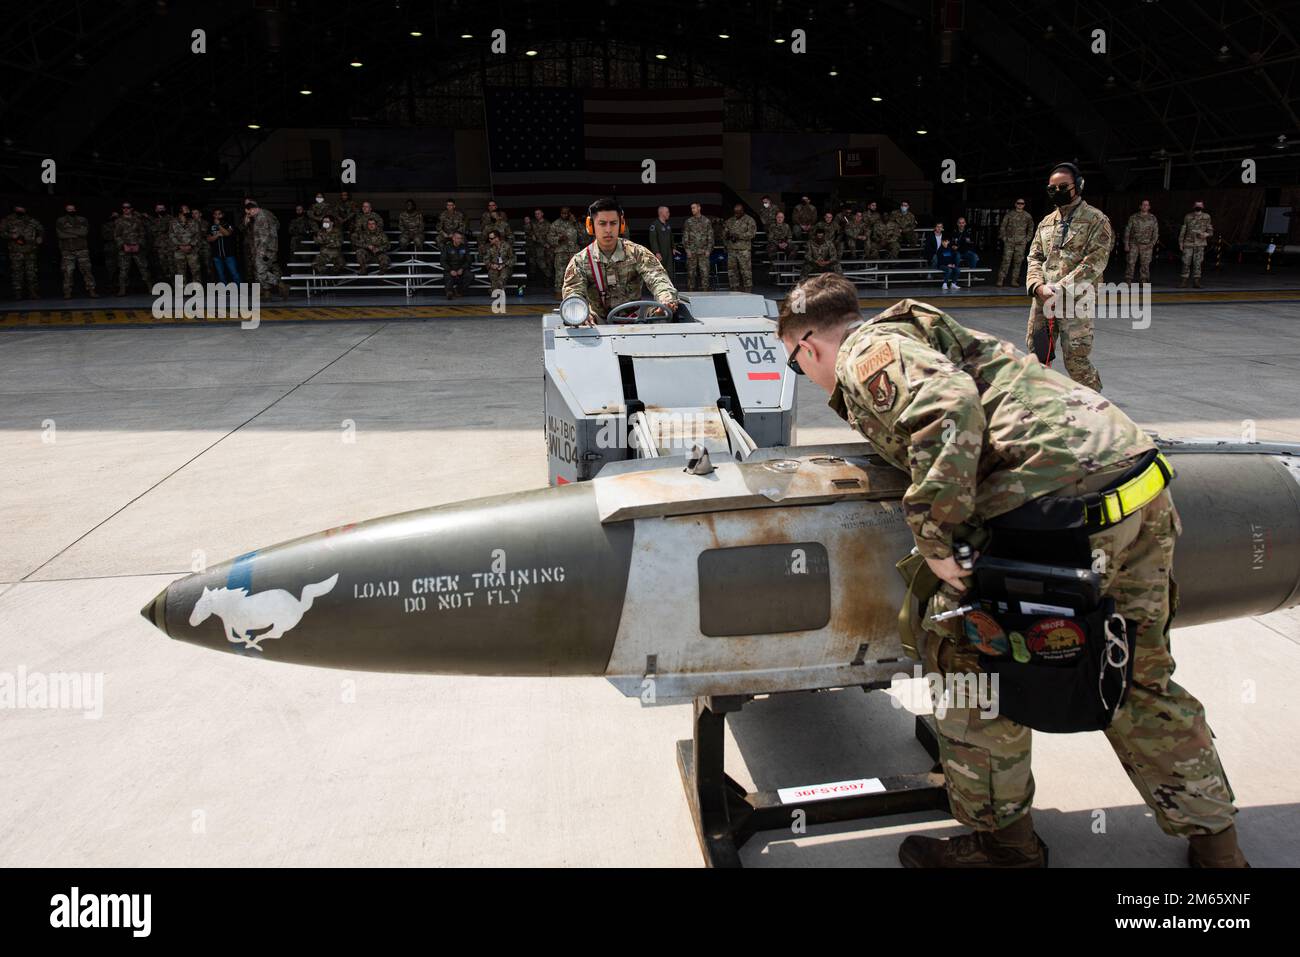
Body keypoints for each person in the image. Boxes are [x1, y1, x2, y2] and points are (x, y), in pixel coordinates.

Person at [776, 273, 1248, 869]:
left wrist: (935, 532)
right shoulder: (927, 332)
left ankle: (1005, 847)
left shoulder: (867, 352)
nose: (809, 377)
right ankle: (1218, 848)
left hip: (1054, 513)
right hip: (1135, 489)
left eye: (798, 366)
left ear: (809, 345)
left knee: (970, 667)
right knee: (1134, 668)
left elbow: (947, 408)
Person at [1025, 162, 1112, 392]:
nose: (1057, 192)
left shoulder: (1096, 220)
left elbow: (1096, 260)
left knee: (1076, 361)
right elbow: (1034, 257)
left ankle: (1095, 409)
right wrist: (1037, 286)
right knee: (1038, 358)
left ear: (1078, 185)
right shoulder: (1046, 222)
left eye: (1063, 186)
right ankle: (1043, 408)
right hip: (1043, 300)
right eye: (1052, 188)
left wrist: (1060, 288)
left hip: (1075, 302)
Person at [560, 196, 677, 324]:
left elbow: (658, 278)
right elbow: (573, 292)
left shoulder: (637, 253)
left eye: (613, 223)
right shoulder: (580, 261)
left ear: (621, 225)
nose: (608, 230)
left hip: (637, 319)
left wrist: (665, 298)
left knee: (664, 314)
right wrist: (579, 311)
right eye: (602, 223)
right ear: (590, 225)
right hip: (598, 323)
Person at [244, 200, 289, 299]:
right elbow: (277, 225)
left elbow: (264, 237)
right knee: (262, 270)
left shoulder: (261, 218)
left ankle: (280, 285)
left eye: (249, 212)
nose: (249, 215)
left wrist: (261, 251)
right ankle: (267, 293)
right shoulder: (267, 213)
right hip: (271, 247)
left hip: (265, 249)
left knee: (261, 272)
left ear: (253, 209)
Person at [55, 202, 97, 299]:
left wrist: (68, 231)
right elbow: (60, 235)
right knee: (67, 272)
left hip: (82, 249)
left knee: (87, 271)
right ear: (66, 210)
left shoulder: (82, 219)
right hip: (67, 250)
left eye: (72, 209)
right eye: (69, 209)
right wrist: (76, 233)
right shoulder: (60, 220)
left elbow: (84, 232)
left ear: (75, 210)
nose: (71, 211)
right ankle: (67, 292)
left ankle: (92, 290)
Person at [2, 205, 44, 299]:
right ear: (15, 209)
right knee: (17, 273)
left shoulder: (31, 220)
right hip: (16, 251)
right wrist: (11, 236)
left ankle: (33, 292)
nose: (20, 210)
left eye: (22, 209)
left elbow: (41, 230)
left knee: (31, 272)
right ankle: (18, 293)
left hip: (30, 250)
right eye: (18, 209)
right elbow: (2, 233)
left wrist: (39, 238)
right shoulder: (8, 220)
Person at [997, 198, 1033, 286]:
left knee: (1018, 262)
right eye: (1018, 203)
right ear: (1015, 204)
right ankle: (1001, 280)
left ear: (1024, 205)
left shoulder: (1027, 216)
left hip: (1021, 243)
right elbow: (1003, 226)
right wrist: (1004, 238)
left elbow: (1031, 228)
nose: (1020, 205)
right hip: (1009, 242)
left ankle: (1014, 281)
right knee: (1006, 261)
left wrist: (1027, 239)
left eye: (1022, 203)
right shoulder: (1009, 214)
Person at [1178, 201, 1214, 288]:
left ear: (1203, 206)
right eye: (1197, 205)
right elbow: (1183, 230)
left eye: (1200, 205)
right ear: (1194, 206)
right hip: (1188, 243)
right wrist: (1180, 242)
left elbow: (1210, 230)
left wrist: (1206, 234)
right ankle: (1184, 281)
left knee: (1198, 263)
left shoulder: (1207, 217)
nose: (1198, 206)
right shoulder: (1188, 216)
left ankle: (1196, 281)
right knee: (1186, 262)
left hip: (1200, 244)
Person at [723, 203, 757, 292]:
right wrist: (727, 236)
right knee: (732, 271)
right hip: (732, 250)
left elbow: (752, 234)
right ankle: (734, 289)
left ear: (742, 211)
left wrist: (738, 235)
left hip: (744, 250)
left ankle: (748, 290)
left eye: (738, 212)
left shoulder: (749, 220)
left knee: (746, 271)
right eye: (735, 212)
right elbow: (724, 233)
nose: (736, 214)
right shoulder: (730, 221)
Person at [547, 207, 580, 299]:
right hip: (561, 252)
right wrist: (558, 239)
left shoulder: (574, 223)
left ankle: (575, 293)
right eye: (563, 213)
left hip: (574, 252)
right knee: (560, 273)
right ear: (560, 214)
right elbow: (549, 238)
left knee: (575, 272)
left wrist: (575, 222)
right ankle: (558, 293)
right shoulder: (555, 224)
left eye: (566, 213)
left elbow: (584, 236)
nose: (564, 215)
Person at [1124, 200, 1159, 284]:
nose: (1145, 206)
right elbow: (1127, 230)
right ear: (1140, 206)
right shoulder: (1133, 217)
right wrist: (1126, 244)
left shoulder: (1153, 218)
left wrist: (1152, 244)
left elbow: (1156, 232)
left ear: (1149, 207)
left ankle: (1144, 279)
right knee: (1130, 262)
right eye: (1143, 205)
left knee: (1145, 264)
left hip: (1147, 245)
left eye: (1146, 205)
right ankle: (1128, 279)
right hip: (1134, 244)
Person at [682, 202, 714, 291]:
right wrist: (687, 249)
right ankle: (691, 292)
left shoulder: (706, 221)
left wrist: (708, 250)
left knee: (705, 273)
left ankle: (705, 291)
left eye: (694, 208)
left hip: (703, 252)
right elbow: (685, 237)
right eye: (691, 208)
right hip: (692, 253)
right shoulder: (688, 222)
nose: (692, 210)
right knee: (691, 274)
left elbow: (710, 237)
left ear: (699, 208)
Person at [169, 206, 203, 285]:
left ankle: (197, 289)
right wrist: (180, 246)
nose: (188, 211)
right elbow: (171, 235)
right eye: (186, 209)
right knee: (180, 272)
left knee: (196, 270)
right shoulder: (173, 222)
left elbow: (198, 235)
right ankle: (182, 290)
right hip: (179, 251)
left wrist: (191, 245)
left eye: (188, 209)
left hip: (192, 250)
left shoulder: (194, 222)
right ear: (180, 211)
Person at [207, 209, 241, 283]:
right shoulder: (210, 226)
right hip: (217, 255)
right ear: (213, 215)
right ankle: (224, 291)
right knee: (220, 275)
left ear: (222, 215)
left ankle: (241, 290)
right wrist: (218, 235)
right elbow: (209, 239)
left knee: (234, 273)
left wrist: (219, 225)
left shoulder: (229, 224)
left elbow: (227, 234)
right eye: (215, 214)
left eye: (219, 214)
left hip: (229, 254)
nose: (217, 216)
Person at [646, 206, 675, 282]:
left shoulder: (667, 225)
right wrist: (656, 252)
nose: (669, 214)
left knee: (669, 271)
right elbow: (653, 240)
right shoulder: (655, 225)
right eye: (667, 212)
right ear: (661, 213)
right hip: (660, 253)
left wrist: (673, 247)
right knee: (660, 272)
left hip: (668, 253)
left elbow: (671, 237)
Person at [481, 229, 515, 294]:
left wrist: (504, 265)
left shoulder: (507, 246)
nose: (489, 240)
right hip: (494, 267)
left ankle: (494, 290)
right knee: (493, 275)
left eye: (491, 238)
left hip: (506, 267)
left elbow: (513, 258)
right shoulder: (489, 247)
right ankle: (497, 290)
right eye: (489, 238)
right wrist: (491, 265)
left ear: (497, 238)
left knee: (502, 278)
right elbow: (486, 259)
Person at [524, 208, 551, 284]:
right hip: (532, 246)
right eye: (535, 214)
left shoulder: (547, 224)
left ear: (542, 214)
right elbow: (527, 231)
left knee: (542, 263)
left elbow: (549, 236)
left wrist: (546, 244)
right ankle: (533, 280)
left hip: (543, 247)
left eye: (538, 213)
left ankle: (548, 277)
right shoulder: (533, 223)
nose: (537, 215)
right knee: (532, 262)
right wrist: (527, 223)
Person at [442, 231, 471, 298]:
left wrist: (462, 268)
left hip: (461, 268)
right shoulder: (447, 247)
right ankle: (449, 292)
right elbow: (443, 261)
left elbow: (469, 260)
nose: (459, 240)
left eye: (460, 238)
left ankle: (459, 290)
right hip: (450, 268)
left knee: (470, 275)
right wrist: (450, 270)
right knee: (448, 277)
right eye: (458, 238)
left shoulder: (465, 247)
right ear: (453, 238)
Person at [766, 211, 793, 281]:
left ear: (784, 218)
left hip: (784, 243)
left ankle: (787, 267)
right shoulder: (772, 226)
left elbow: (790, 237)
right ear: (776, 218)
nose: (780, 219)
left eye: (781, 217)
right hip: (775, 243)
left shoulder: (786, 226)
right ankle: (774, 268)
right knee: (770, 248)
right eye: (778, 217)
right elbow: (770, 238)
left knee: (794, 247)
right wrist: (778, 244)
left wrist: (786, 243)